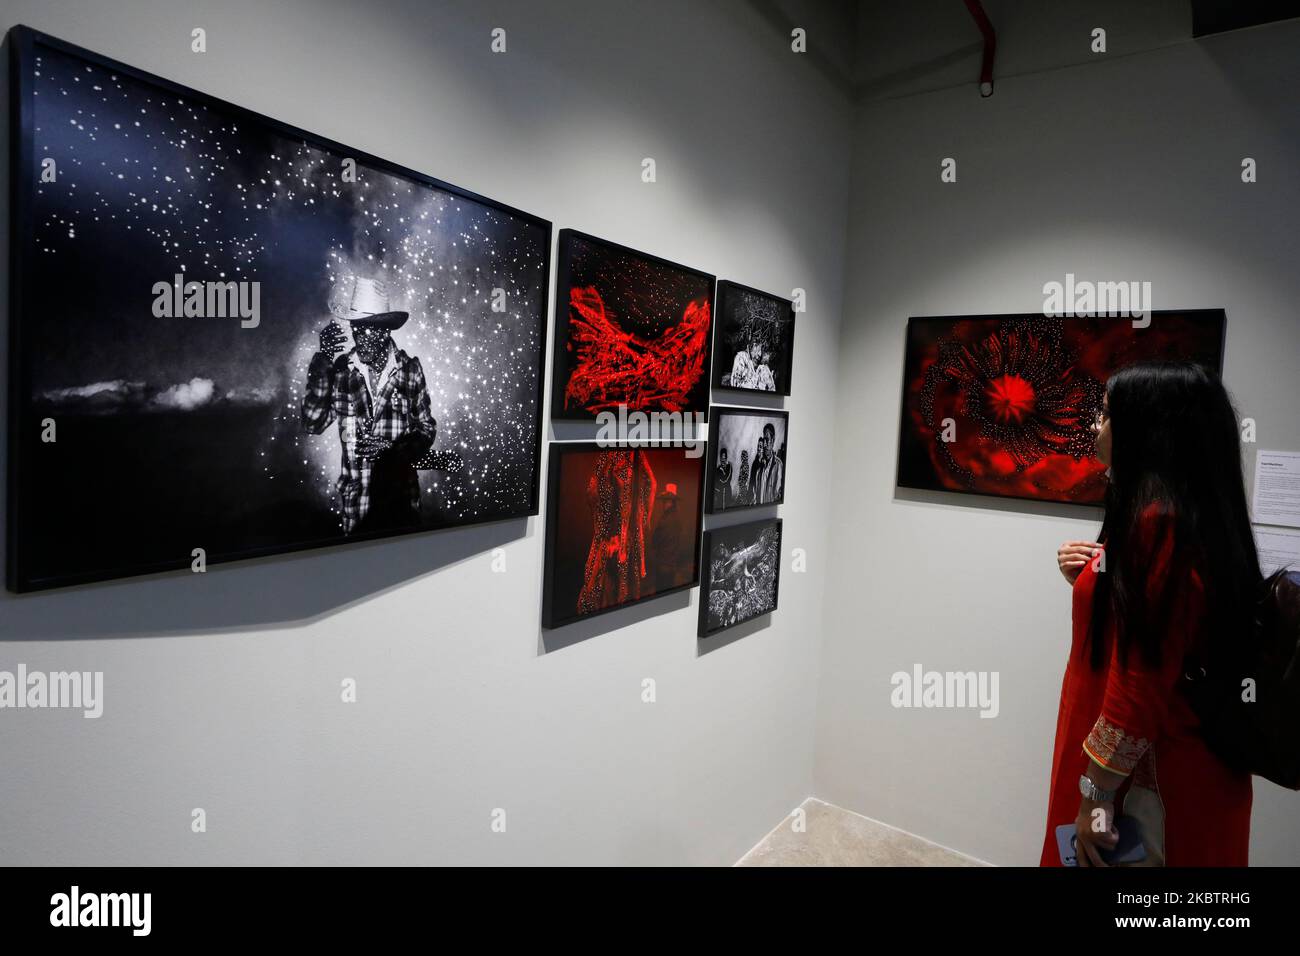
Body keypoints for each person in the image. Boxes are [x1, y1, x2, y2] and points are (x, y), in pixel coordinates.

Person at [1041, 361, 1258, 867]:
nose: (1096, 427)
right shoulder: (1183, 514)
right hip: (1186, 762)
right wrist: (1093, 581)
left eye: (1106, 415)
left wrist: (1095, 799)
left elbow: (1139, 685)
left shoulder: (1159, 524)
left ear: (1148, 432)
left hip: (1149, 775)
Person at [301, 276, 436, 534]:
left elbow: (426, 428)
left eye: (368, 330)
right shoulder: (340, 372)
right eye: (356, 329)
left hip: (401, 507)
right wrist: (324, 360)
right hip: (356, 513)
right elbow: (312, 422)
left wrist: (393, 451)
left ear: (385, 331)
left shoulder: (409, 370)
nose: (360, 338)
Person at [749, 424, 784, 504]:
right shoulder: (759, 465)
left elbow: (778, 496)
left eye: (767, 439)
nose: (764, 444)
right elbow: (754, 494)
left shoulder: (778, 466)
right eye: (764, 439)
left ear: (773, 440)